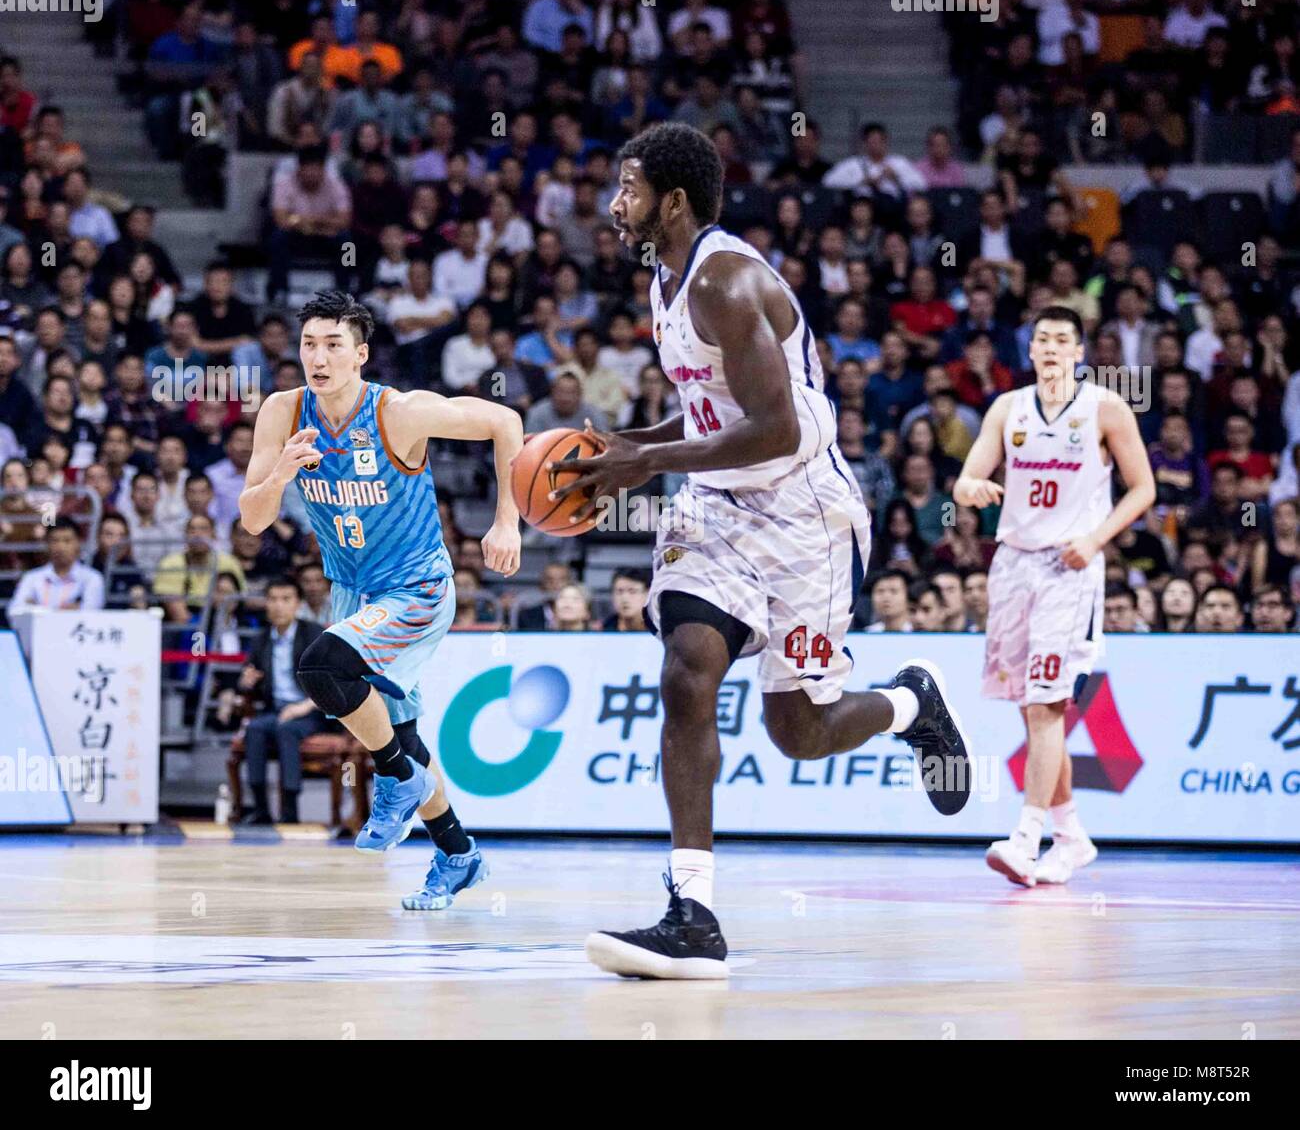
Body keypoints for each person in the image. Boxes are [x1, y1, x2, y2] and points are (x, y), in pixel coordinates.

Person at [559, 122, 972, 979]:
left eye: (628, 188)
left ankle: (909, 704)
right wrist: (628, 448)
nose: (615, 203)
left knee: (801, 730)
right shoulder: (667, 279)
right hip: (715, 506)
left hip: (801, 512)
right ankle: (694, 913)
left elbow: (776, 426)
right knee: (686, 669)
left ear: (672, 201)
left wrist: (652, 461)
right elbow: (713, 413)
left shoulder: (727, 281)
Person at [238, 291, 522, 911]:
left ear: (361, 354)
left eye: (333, 344)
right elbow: (253, 521)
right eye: (309, 344)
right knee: (403, 737)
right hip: (353, 593)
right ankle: (457, 853)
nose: (319, 356)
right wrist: (282, 473)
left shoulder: (401, 413)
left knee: (320, 668)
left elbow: (506, 423)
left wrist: (506, 520)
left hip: (417, 587)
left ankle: (394, 780)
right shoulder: (282, 415)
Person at [955, 305, 1156, 887]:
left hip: (1068, 570)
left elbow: (1143, 488)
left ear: (1078, 351)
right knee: (1031, 709)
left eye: (1061, 340)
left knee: (1046, 706)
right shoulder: (1006, 408)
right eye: (1041, 338)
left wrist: (1094, 540)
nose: (1049, 347)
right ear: (1031, 349)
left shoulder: (1105, 407)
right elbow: (967, 479)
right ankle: (1070, 837)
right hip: (1013, 565)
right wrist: (971, 488)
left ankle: (1026, 837)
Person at [236, 578, 328, 825]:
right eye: (273, 599)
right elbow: (246, 677)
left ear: (298, 604)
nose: (279, 606)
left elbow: (331, 681)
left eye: (286, 599)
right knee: (254, 729)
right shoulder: (261, 639)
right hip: (274, 710)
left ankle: (289, 810)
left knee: (286, 730)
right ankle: (260, 808)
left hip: (311, 711)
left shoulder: (314, 634)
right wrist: (247, 680)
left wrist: (303, 706)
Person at [7, 516, 104, 615]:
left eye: (67, 541)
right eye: (55, 541)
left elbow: (91, 615)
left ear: (78, 543)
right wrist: (64, 612)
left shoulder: (92, 578)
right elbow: (14, 611)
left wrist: (35, 608)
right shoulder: (32, 577)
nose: (60, 547)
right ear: (46, 543)